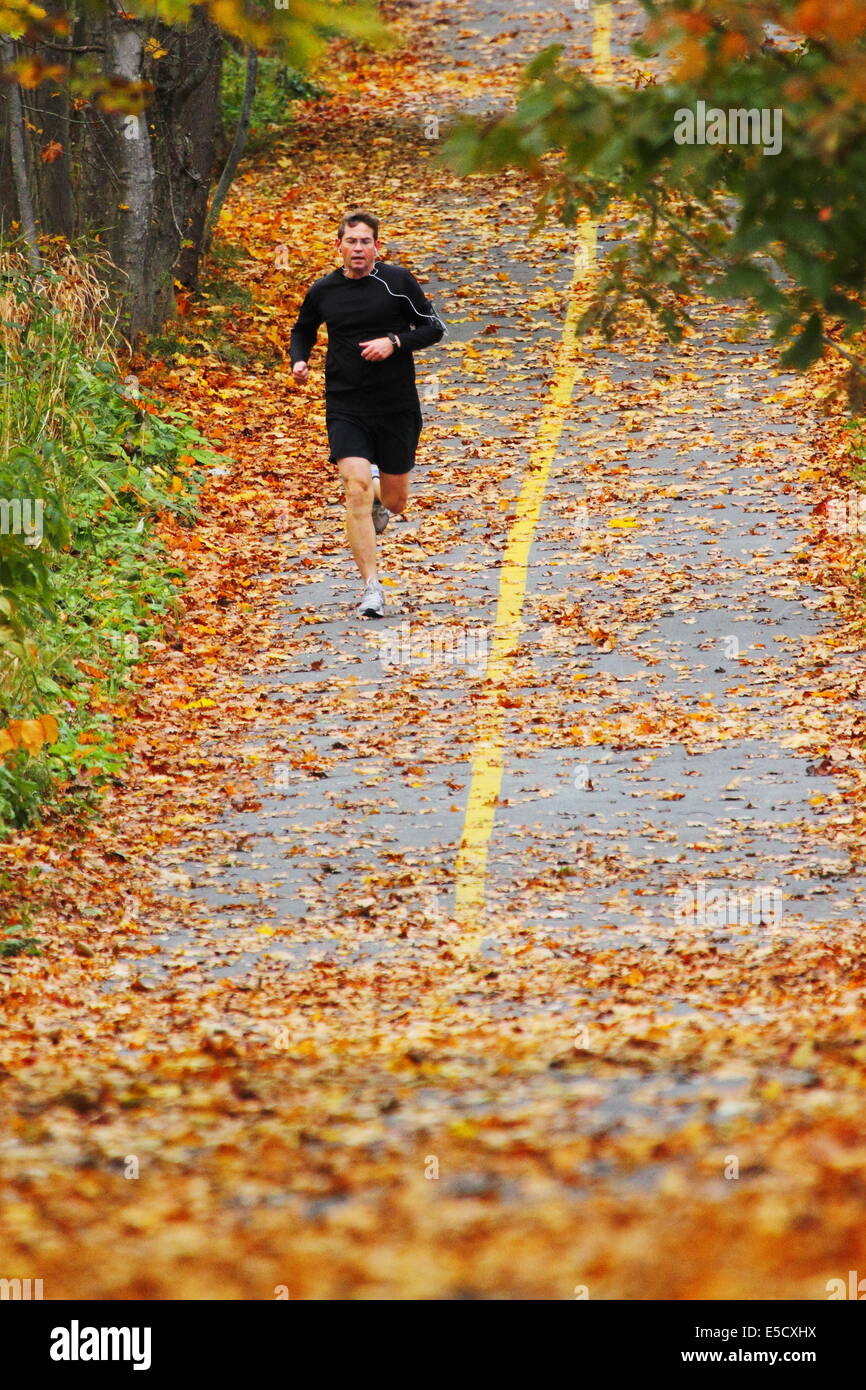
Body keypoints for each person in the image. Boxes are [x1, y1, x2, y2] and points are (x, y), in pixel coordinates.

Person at [289, 209, 446, 617]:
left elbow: (434, 327)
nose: (358, 248)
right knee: (354, 487)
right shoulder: (324, 290)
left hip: (395, 405)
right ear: (338, 246)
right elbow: (303, 328)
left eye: (365, 242)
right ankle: (371, 588)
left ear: (377, 246)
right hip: (346, 401)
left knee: (395, 502)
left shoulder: (397, 283)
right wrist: (299, 360)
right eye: (351, 241)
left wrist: (394, 342)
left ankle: (381, 494)